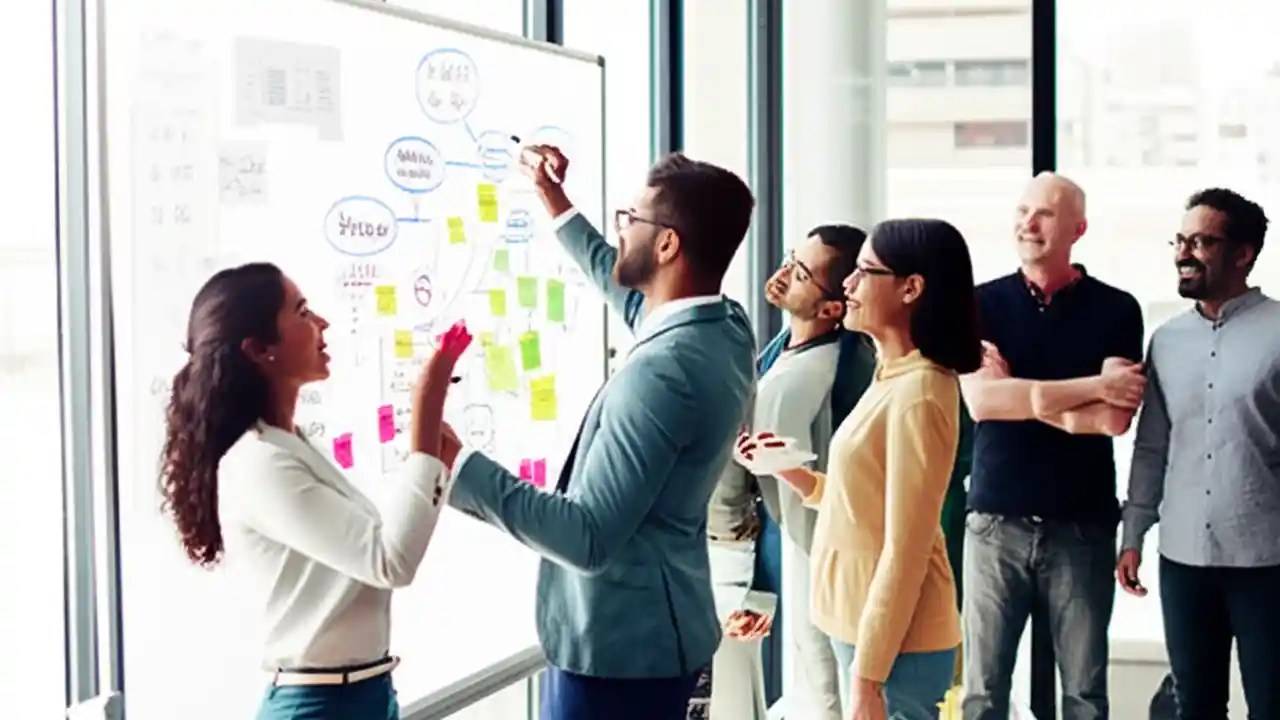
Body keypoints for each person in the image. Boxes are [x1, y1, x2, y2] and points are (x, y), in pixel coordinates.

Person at [438, 146, 758, 720]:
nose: (621, 231)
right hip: (664, 630)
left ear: (667, 245)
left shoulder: (664, 372)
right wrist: (554, 200)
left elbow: (587, 536)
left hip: (619, 655)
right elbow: (625, 290)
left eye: (630, 220)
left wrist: (458, 463)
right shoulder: (725, 328)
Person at [159, 263, 471, 720]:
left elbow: (382, 553)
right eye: (302, 312)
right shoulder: (258, 462)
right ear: (258, 348)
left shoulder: (292, 445)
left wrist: (435, 462)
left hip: (365, 692)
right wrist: (426, 413)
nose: (322, 323)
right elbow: (390, 561)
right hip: (318, 706)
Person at [742, 218, 983, 720]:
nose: (848, 284)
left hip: (896, 649)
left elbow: (906, 549)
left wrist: (868, 681)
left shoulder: (919, 391)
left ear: (911, 288)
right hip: (861, 630)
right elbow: (862, 501)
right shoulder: (890, 373)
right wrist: (789, 470)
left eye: (865, 271)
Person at [958, 171, 1146, 720]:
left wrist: (1028, 396)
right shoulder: (980, 304)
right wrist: (1087, 389)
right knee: (982, 694)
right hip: (995, 521)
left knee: (1085, 696)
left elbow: (1113, 419)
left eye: (1043, 213)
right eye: (1021, 211)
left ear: (1078, 228)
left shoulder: (1117, 308)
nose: (1027, 223)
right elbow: (984, 404)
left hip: (1082, 526)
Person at [1119, 188, 1279, 719]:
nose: (1184, 252)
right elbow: (1152, 445)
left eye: (1202, 241)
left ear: (1243, 253)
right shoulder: (1166, 341)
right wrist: (1134, 531)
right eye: (1180, 239)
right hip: (1183, 559)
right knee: (1197, 707)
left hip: (1267, 562)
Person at [707, 224, 875, 720]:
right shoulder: (790, 349)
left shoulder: (800, 379)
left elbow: (771, 497)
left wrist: (749, 588)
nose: (781, 275)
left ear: (831, 309)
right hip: (813, 551)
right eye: (788, 258)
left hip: (812, 552)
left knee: (825, 685)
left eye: (799, 272)